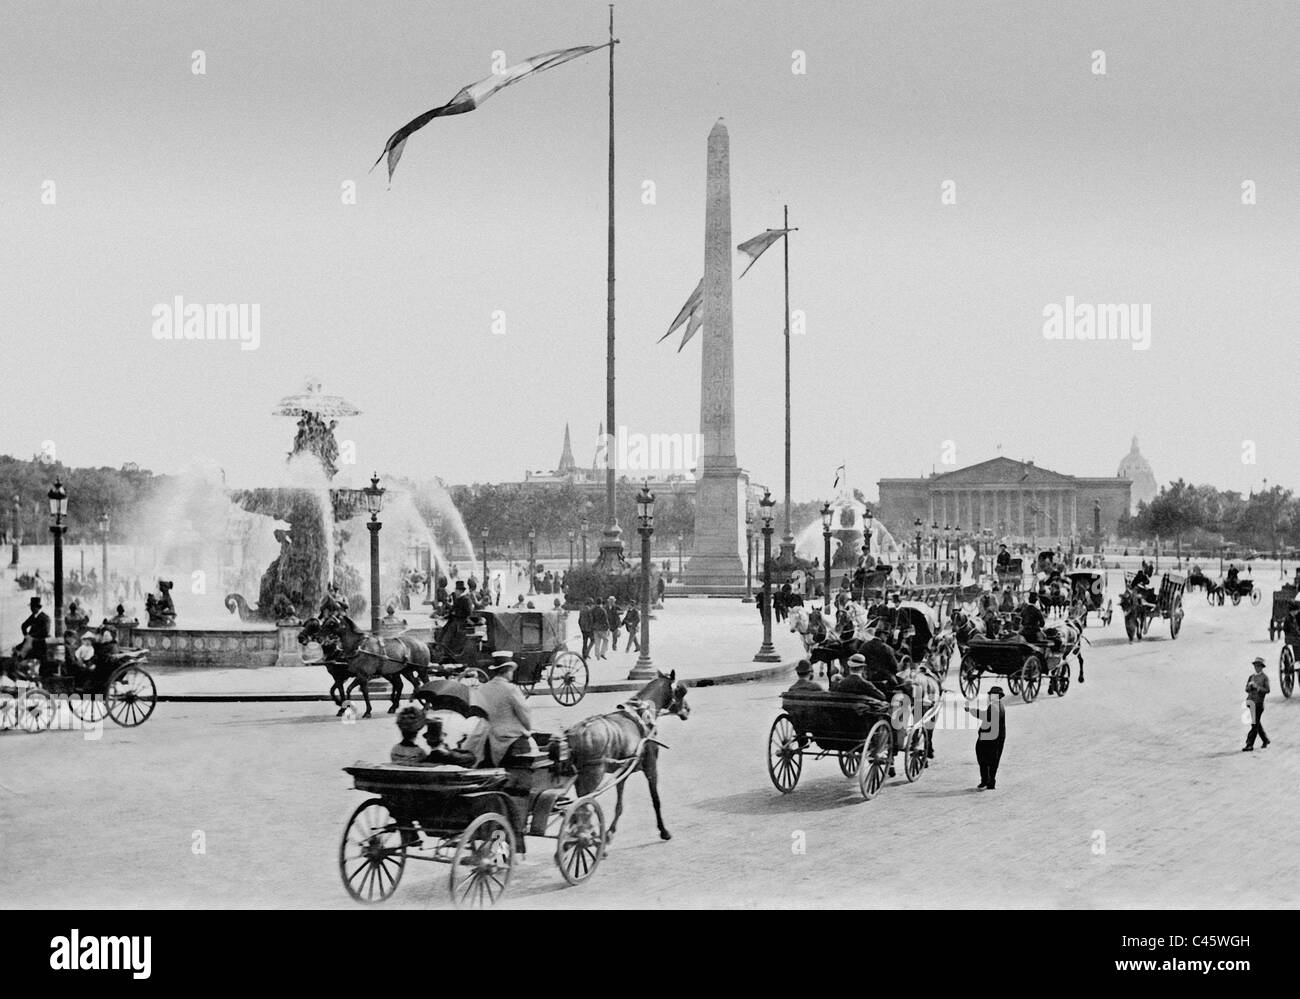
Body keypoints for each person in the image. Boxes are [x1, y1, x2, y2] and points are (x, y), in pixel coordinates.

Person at [473, 659, 535, 766]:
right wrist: (528, 727)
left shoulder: (482, 688)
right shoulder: (511, 689)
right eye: (511, 671)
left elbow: (479, 712)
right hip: (508, 737)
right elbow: (525, 714)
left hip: (486, 736)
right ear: (507, 671)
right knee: (532, 746)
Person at [966, 685, 1007, 789]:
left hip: (990, 738)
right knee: (993, 760)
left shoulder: (995, 706)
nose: (990, 696)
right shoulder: (999, 705)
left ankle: (986, 780)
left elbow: (985, 716)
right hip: (998, 737)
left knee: (983, 758)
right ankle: (989, 781)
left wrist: (971, 711)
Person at [16, 596, 51, 671]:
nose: (31, 609)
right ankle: (19, 661)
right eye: (31, 607)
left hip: (41, 640)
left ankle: (20, 659)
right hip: (31, 640)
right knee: (19, 647)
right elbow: (23, 626)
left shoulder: (45, 618)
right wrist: (26, 635)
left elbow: (45, 632)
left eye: (33, 607)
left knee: (25, 648)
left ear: (38, 607)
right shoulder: (33, 616)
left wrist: (31, 636)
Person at [1244, 656, 1271, 751]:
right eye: (1255, 666)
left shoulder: (1265, 678)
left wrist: (1258, 687)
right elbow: (1246, 689)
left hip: (1259, 703)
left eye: (1259, 666)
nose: (1257, 667)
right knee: (1256, 724)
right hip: (1251, 702)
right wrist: (1250, 687)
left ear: (1262, 667)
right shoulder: (1251, 677)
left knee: (1254, 724)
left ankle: (1249, 744)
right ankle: (1265, 739)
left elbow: (1267, 690)